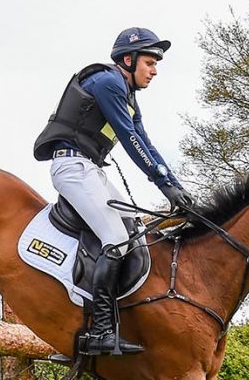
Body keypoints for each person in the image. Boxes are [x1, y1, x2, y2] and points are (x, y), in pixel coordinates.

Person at [33, 27, 196, 356]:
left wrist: (176, 187)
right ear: (128, 59)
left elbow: (146, 142)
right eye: (150, 63)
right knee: (117, 241)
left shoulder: (127, 95)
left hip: (89, 169)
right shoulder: (109, 83)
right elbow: (132, 142)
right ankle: (100, 332)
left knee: (132, 233)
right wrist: (163, 184)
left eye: (156, 65)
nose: (154, 71)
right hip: (72, 167)